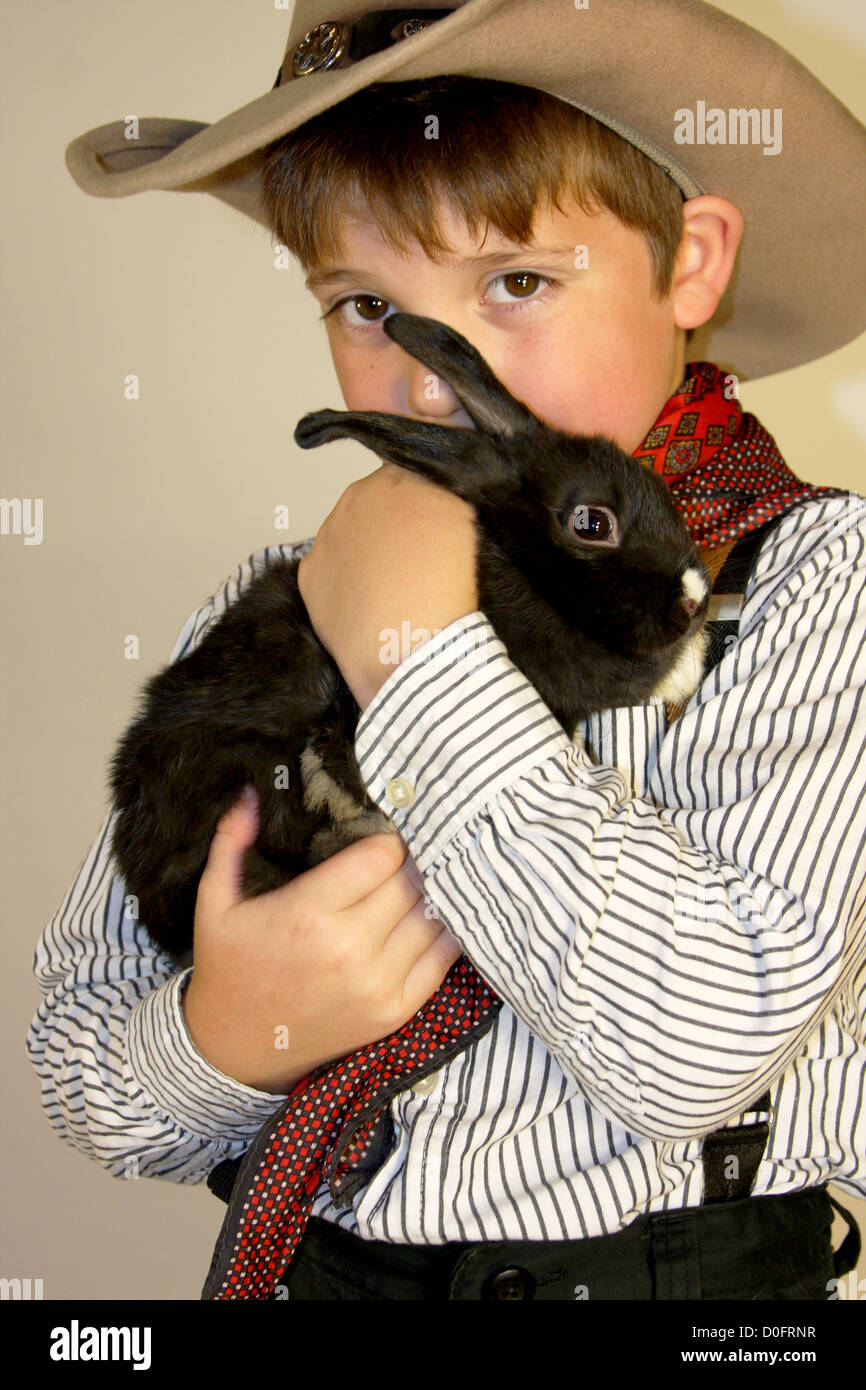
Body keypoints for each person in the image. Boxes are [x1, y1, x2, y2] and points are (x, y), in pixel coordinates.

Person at [28, 0, 866, 1300]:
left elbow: (691, 1045)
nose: (430, 384)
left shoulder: (815, 585)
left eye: (516, 281)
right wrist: (227, 1032)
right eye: (366, 304)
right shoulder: (277, 610)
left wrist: (416, 653)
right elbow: (84, 1062)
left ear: (690, 263)